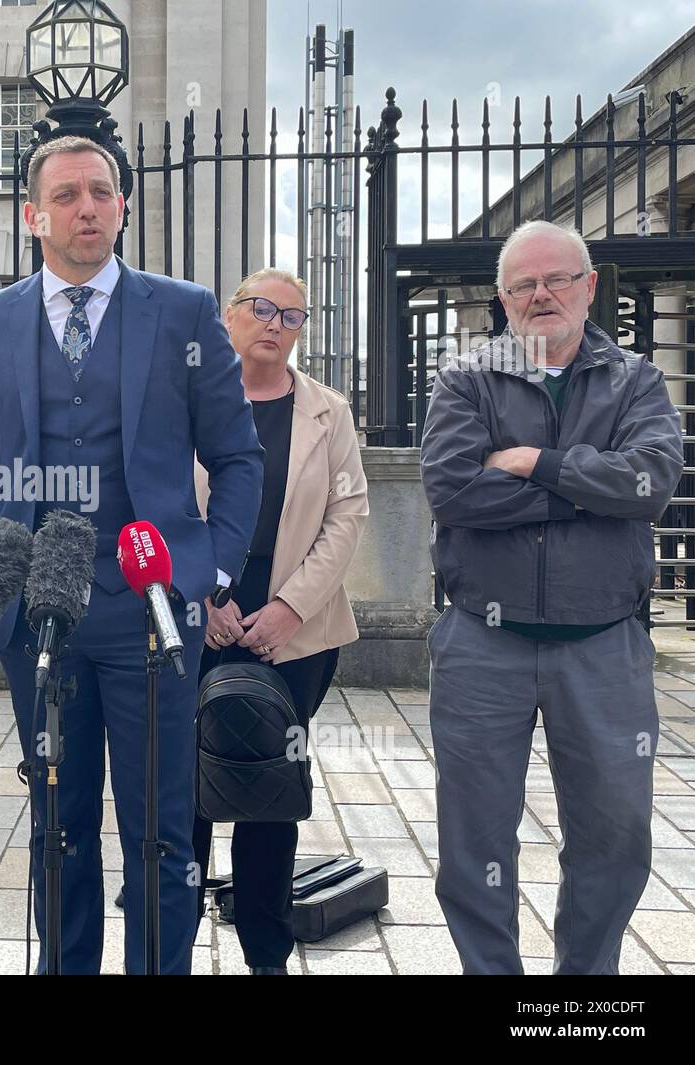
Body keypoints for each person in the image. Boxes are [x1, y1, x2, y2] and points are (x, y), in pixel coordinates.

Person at [0, 135, 264, 974]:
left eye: (102, 192)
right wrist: (0, 569)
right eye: (68, 194)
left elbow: (237, 456)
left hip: (153, 609)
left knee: (159, 829)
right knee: (58, 825)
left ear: (123, 206)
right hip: (40, 615)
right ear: (33, 214)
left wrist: (213, 570)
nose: (88, 206)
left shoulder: (184, 310)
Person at [419, 219, 682, 974]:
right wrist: (587, 488)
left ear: (589, 285)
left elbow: (652, 482)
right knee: (474, 842)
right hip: (481, 644)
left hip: (604, 645)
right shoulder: (466, 378)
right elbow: (454, 491)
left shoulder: (637, 380)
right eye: (523, 284)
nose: (542, 295)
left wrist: (535, 461)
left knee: (616, 836)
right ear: (503, 299)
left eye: (557, 278)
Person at [193, 267, 368, 974]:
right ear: (229, 314)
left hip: (296, 630)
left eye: (291, 315)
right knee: (183, 784)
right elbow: (152, 498)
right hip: (195, 615)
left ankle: (266, 948)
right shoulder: (186, 401)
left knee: (270, 785)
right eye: (261, 308)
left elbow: (347, 512)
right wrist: (197, 593)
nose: (274, 323)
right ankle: (168, 930)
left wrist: (292, 607)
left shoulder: (330, 411)